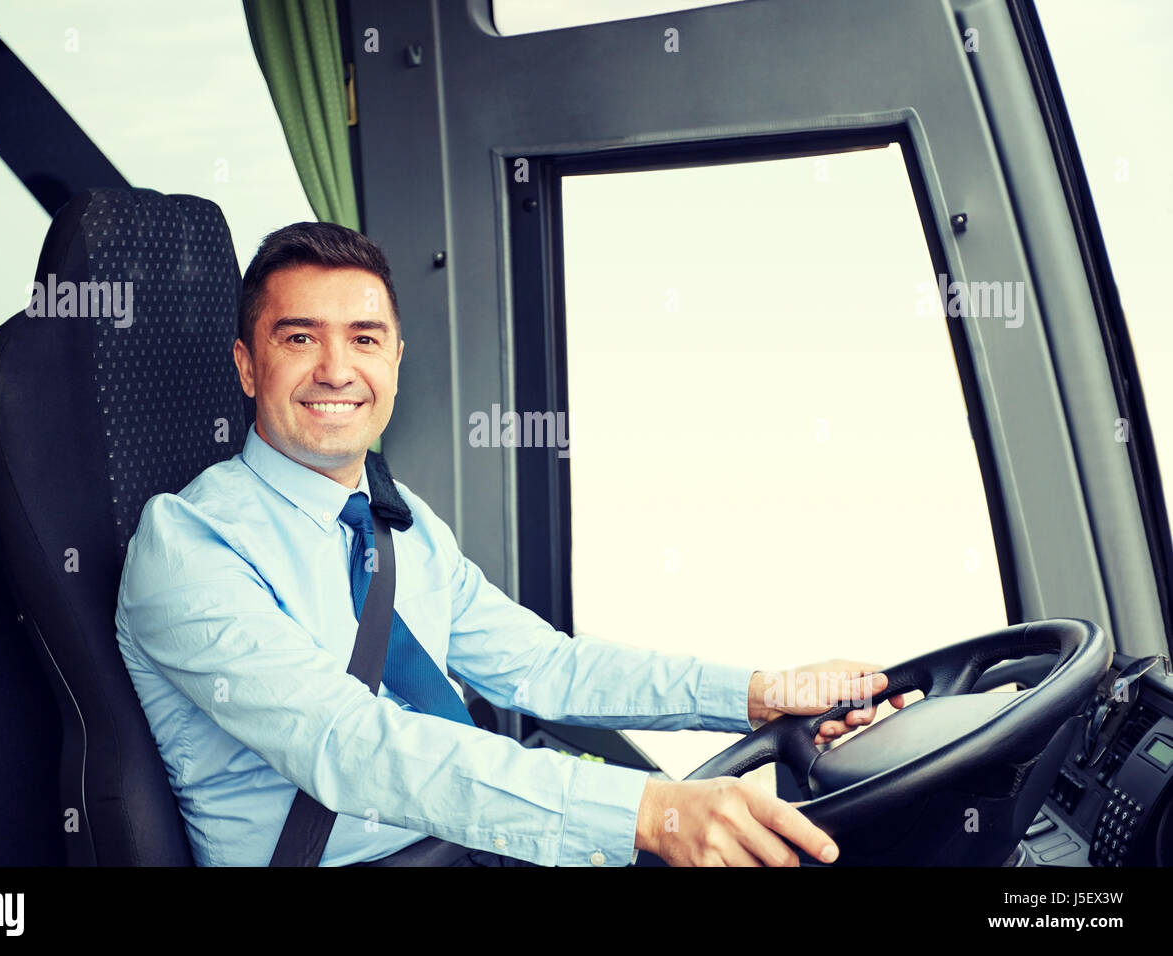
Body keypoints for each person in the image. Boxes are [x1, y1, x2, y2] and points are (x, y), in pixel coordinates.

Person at [115, 221, 907, 867]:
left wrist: (762, 693)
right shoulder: (189, 545)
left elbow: (545, 666)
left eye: (363, 339)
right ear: (248, 368)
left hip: (476, 848)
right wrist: (650, 811)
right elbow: (347, 744)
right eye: (298, 339)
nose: (335, 369)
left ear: (393, 362)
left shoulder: (401, 523)